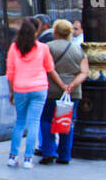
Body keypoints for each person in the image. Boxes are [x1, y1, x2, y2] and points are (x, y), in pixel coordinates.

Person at [5, 20, 65, 169]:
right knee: (34, 123)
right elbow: (50, 69)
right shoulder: (43, 48)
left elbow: (10, 74)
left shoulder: (14, 48)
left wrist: (11, 91)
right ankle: (28, 159)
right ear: (36, 33)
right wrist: (63, 85)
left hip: (20, 88)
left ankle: (13, 157)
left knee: (19, 123)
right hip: (39, 89)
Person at [38, 19, 88, 165]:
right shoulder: (78, 49)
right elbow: (84, 72)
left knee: (46, 119)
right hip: (73, 92)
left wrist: (61, 84)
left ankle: (49, 151)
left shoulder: (47, 47)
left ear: (55, 32)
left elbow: (47, 68)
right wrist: (71, 85)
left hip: (51, 90)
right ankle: (65, 154)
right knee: (67, 121)